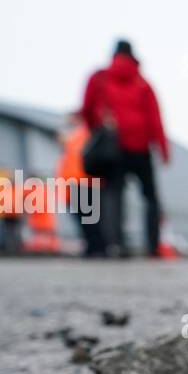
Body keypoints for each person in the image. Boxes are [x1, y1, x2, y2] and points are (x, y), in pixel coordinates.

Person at [80, 40, 170, 257]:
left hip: (114, 148)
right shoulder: (142, 83)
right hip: (141, 146)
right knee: (150, 197)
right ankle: (153, 245)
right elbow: (155, 118)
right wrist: (163, 149)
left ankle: (116, 244)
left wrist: (98, 133)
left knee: (114, 197)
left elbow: (87, 109)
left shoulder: (99, 78)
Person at [56, 113, 105, 256]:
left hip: (83, 181)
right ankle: (92, 247)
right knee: (83, 218)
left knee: (89, 218)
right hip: (74, 183)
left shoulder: (85, 133)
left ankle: (97, 248)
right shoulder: (74, 137)